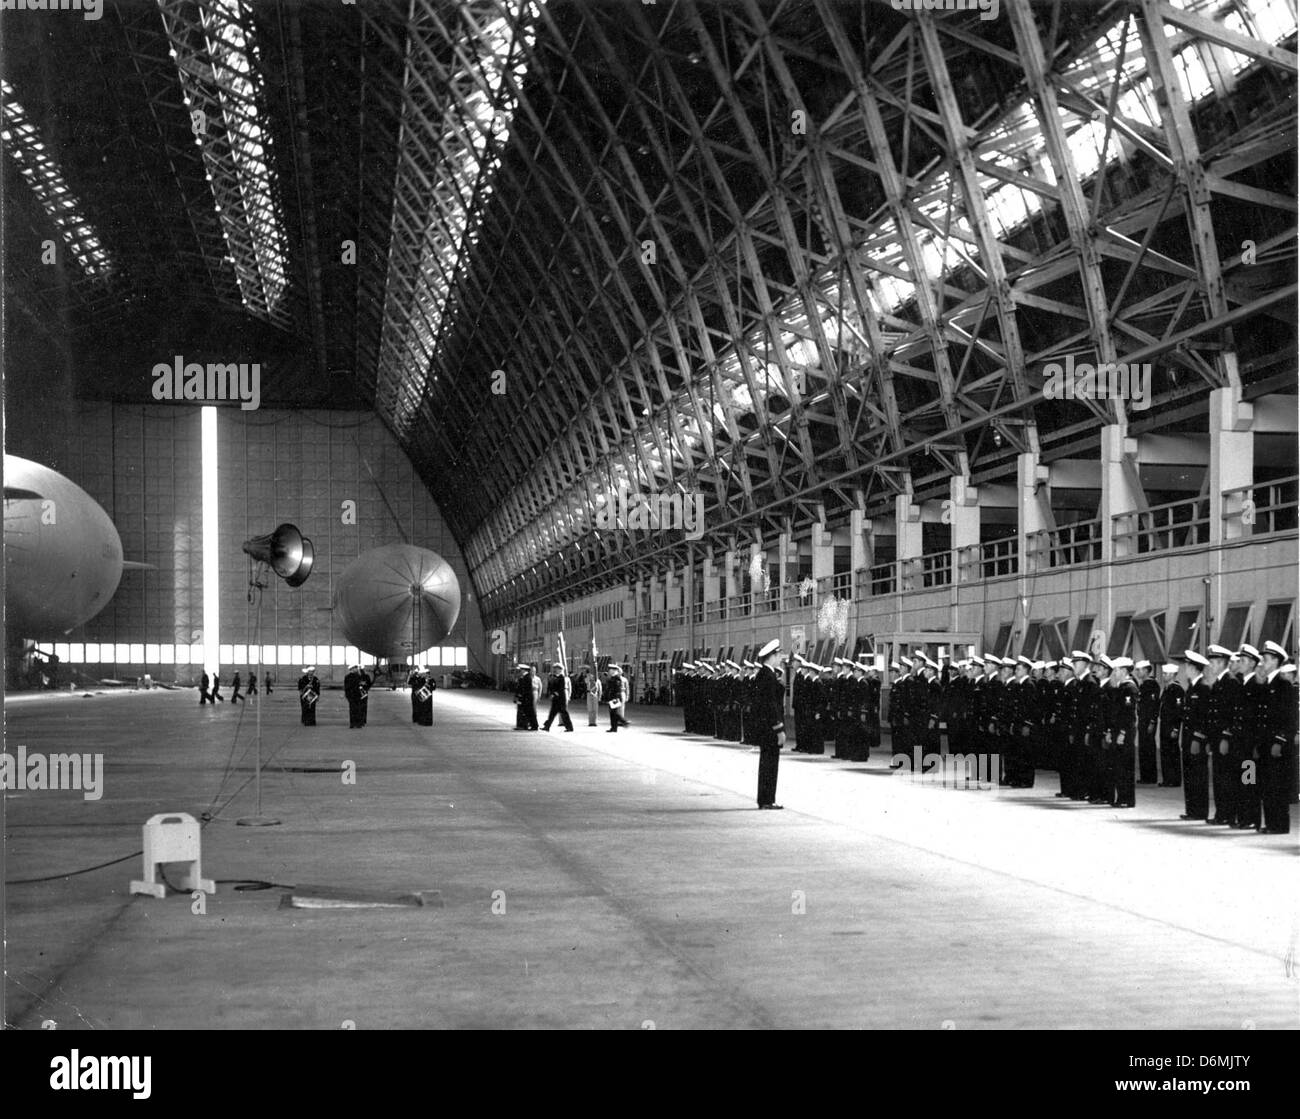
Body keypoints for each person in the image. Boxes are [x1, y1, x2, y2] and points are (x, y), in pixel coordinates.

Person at [753, 639, 787, 809]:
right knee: (770, 765)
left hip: (765, 728)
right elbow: (770, 705)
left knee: (767, 763)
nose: (781, 658)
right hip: (770, 729)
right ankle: (767, 800)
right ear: (771, 656)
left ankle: (766, 799)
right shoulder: (767, 676)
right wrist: (779, 729)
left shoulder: (765, 675)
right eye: (779, 655)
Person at [1178, 650, 1211, 821]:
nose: (1185, 669)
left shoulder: (1203, 688)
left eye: (1188, 666)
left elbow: (1204, 716)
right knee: (1190, 775)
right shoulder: (1191, 688)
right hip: (1187, 738)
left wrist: (1198, 738)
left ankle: (1199, 811)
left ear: (1194, 668)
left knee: (1198, 776)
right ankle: (1191, 810)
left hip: (1196, 739)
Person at [1157, 664, 1183, 787]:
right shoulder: (1166, 689)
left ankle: (1175, 779)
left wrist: (1176, 728)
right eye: (1163, 673)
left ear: (1173, 675)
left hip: (1172, 725)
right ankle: (1167, 778)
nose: (1164, 676)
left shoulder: (1177, 689)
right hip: (1164, 724)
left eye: (1166, 674)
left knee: (1173, 752)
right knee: (1165, 751)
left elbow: (1178, 711)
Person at [1135, 661, 1159, 784]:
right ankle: (1145, 776)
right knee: (1143, 748)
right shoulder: (1143, 685)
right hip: (1143, 720)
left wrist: (1152, 721)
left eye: (1139, 670)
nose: (1138, 672)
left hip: (1148, 721)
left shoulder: (1152, 685)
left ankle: (1150, 776)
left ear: (1146, 671)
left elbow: (1154, 705)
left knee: (1148, 748)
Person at [542, 662, 574, 732]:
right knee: (552, 713)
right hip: (556, 699)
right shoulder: (553, 677)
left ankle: (569, 727)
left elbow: (561, 688)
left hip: (561, 699)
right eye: (554, 669)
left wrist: (554, 694)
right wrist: (550, 693)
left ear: (560, 670)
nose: (555, 670)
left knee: (564, 713)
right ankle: (547, 726)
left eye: (556, 669)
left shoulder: (562, 677)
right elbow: (551, 687)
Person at [606, 665, 630, 732]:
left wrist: (614, 698)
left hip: (615, 697)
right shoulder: (613, 678)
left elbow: (616, 689)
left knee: (614, 713)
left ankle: (624, 721)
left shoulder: (616, 678)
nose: (609, 671)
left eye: (610, 670)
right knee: (612, 713)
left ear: (613, 671)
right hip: (613, 697)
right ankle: (614, 728)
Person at [514, 665, 539, 731]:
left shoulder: (527, 677)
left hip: (527, 698)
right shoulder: (523, 677)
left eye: (520, 670)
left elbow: (526, 689)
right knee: (525, 712)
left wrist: (522, 696)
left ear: (523, 670)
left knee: (530, 712)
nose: (519, 671)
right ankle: (524, 725)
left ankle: (534, 726)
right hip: (524, 697)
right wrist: (518, 696)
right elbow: (519, 688)